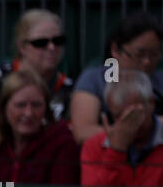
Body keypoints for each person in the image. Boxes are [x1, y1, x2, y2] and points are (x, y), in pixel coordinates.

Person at [0, 9, 73, 156]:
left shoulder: (70, 89)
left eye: (58, 41)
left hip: (43, 171)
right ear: (22, 47)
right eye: (41, 43)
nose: (52, 48)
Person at [0, 68, 79, 184]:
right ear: (4, 108)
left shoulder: (62, 146)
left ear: (46, 109)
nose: (28, 113)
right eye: (20, 105)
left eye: (36, 105)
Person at [68, 11, 163, 145]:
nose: (147, 61)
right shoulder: (94, 79)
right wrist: (132, 133)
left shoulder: (159, 80)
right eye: (139, 54)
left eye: (154, 54)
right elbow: (83, 131)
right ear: (116, 50)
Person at [80, 70, 163, 187]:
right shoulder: (95, 146)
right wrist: (115, 151)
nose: (126, 122)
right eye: (118, 115)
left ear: (151, 104)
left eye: (132, 114)